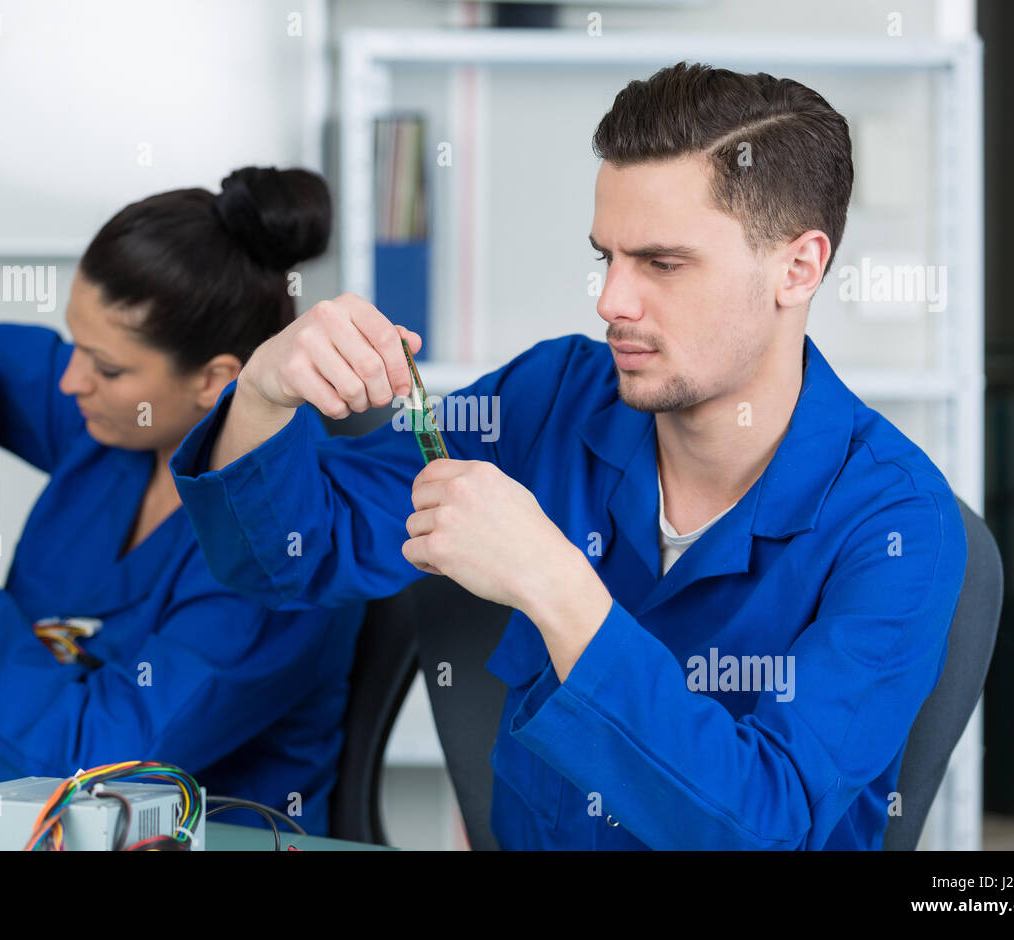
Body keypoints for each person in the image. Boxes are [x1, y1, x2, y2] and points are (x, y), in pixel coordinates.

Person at [168, 64, 969, 849]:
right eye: (605, 258)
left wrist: (556, 586)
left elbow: (764, 826)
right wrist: (264, 395)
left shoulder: (899, 529)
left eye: (661, 263)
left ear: (799, 267)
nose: (611, 302)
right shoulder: (546, 401)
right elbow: (283, 562)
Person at [0, 167, 363, 835]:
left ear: (216, 380)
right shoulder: (112, 425)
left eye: (107, 367)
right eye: (75, 346)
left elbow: (88, 768)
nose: (70, 380)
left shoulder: (283, 554)